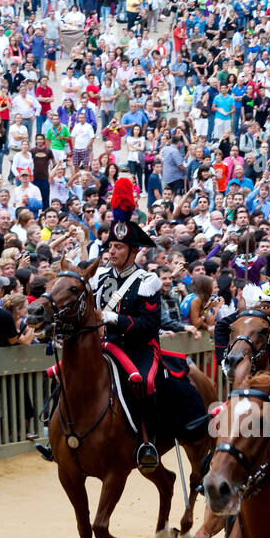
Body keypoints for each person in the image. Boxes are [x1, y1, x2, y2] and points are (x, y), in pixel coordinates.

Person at [93, 177, 207, 472]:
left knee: (145, 382)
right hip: (103, 345)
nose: (113, 251)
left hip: (138, 348)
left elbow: (147, 325)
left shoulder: (147, 282)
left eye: (119, 247)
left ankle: (147, 440)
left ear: (133, 251)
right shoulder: (101, 278)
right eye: (112, 246)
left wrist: (113, 318)